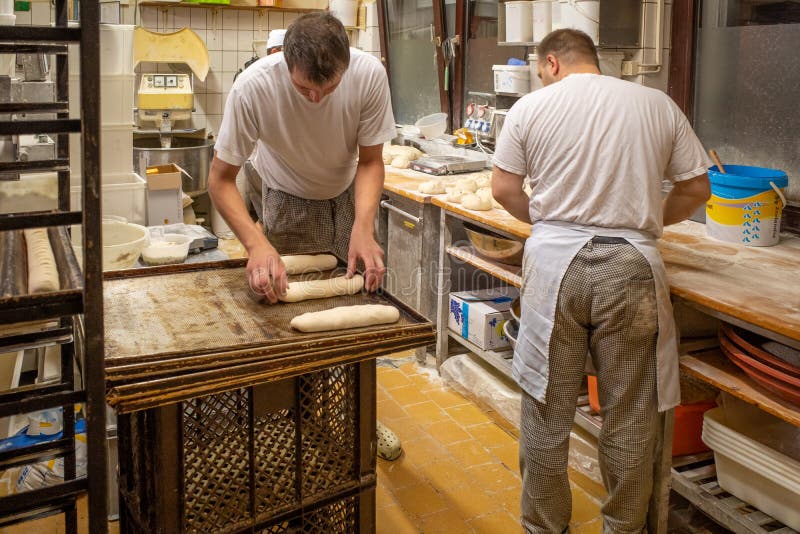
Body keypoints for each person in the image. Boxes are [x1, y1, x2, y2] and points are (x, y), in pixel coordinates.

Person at [492, 29, 712, 533]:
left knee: (546, 409)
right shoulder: (657, 104)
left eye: (540, 70)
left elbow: (503, 189)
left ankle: (544, 528)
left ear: (552, 63)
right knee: (630, 415)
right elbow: (697, 188)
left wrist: (548, 223)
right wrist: (645, 218)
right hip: (631, 267)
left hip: (555, 270)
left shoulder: (531, 108)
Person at [208, 13, 403, 461]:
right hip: (288, 197)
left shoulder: (368, 75)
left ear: (345, 65)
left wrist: (363, 225)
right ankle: (296, 418)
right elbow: (219, 179)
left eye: (328, 88)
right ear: (285, 62)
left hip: (348, 196)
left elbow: (371, 160)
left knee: (353, 312)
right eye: (304, 89)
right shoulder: (254, 88)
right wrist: (256, 243)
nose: (316, 99)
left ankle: (358, 414)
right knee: (290, 318)